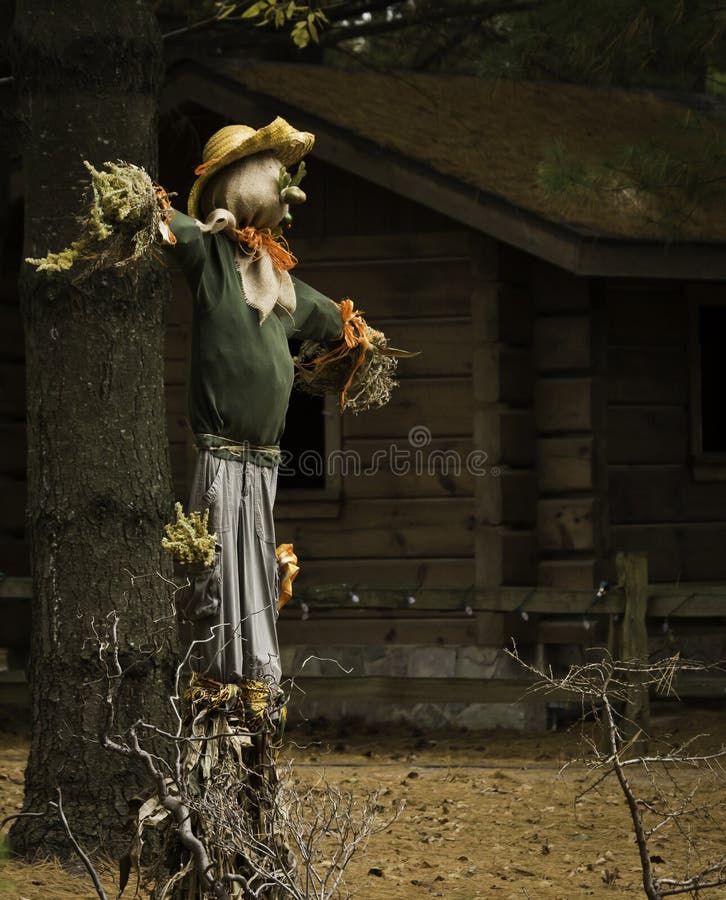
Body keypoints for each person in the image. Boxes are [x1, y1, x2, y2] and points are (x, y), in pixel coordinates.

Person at [165, 118, 345, 692]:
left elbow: (327, 315)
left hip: (264, 466)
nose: (288, 202)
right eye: (277, 184)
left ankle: (258, 690)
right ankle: (217, 689)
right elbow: (175, 229)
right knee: (215, 577)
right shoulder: (214, 259)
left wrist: (356, 335)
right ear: (242, 186)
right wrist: (145, 204)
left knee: (258, 577)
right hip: (221, 457)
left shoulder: (280, 282)